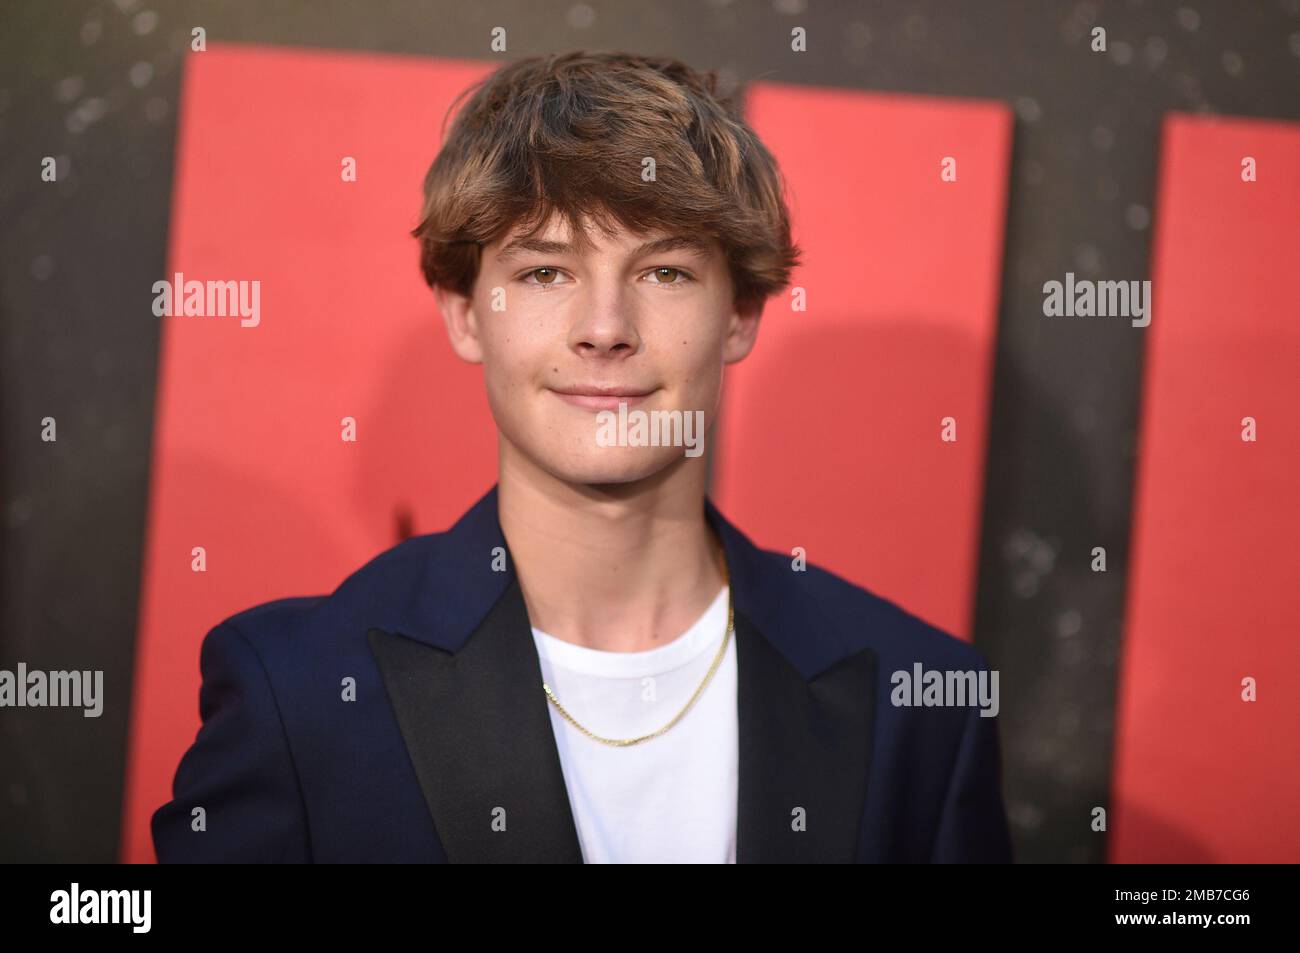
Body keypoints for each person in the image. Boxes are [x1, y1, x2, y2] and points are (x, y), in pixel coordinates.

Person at [152, 50, 1012, 863]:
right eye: (544, 273)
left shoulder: (923, 700)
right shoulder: (297, 692)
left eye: (665, 272)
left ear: (741, 314)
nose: (605, 328)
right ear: (463, 312)